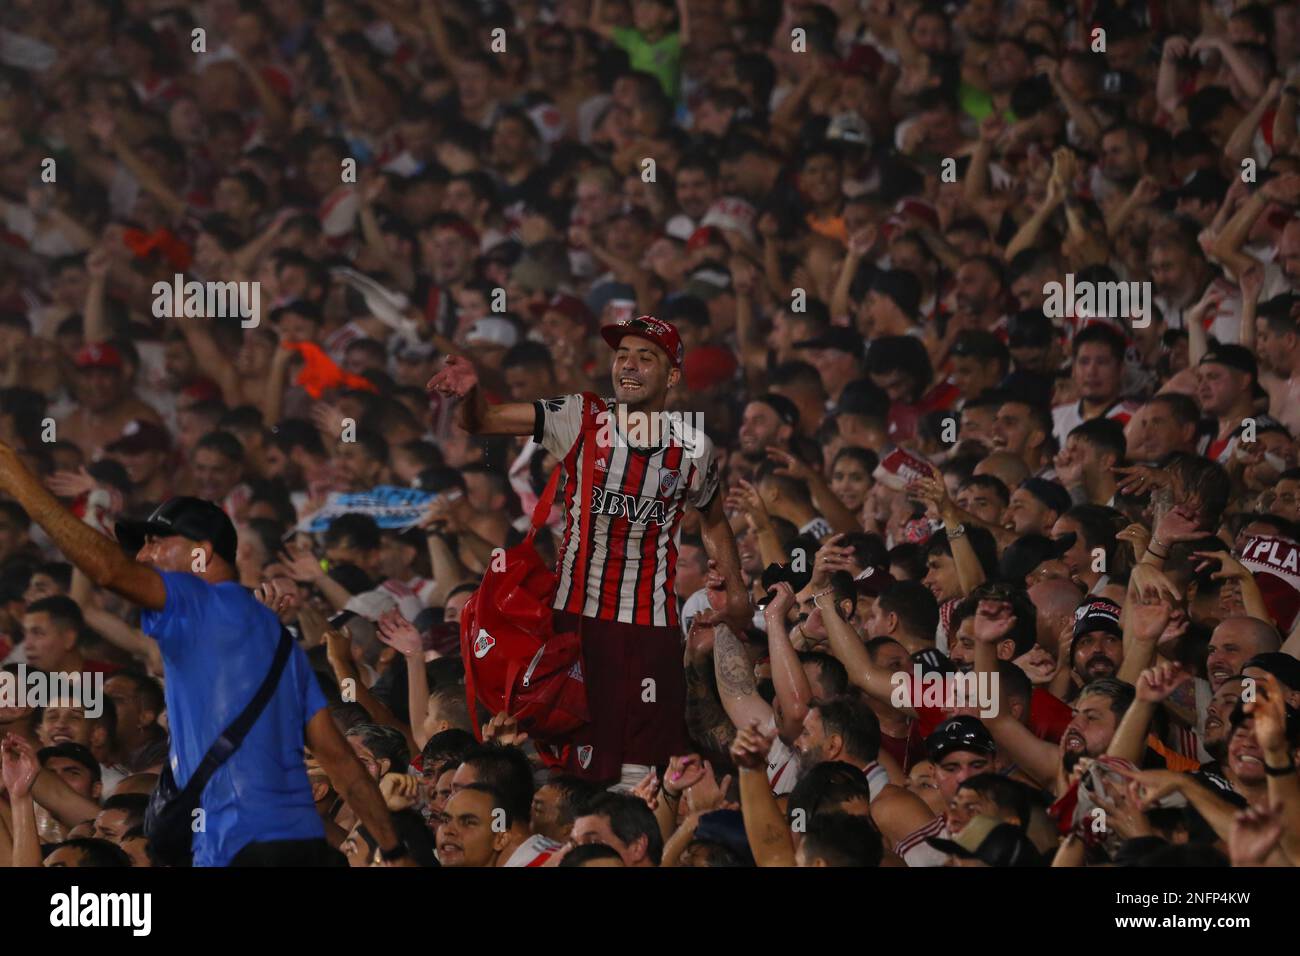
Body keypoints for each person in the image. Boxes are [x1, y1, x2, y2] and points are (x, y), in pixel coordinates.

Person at [0, 450, 405, 867]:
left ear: (202, 554)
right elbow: (340, 762)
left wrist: (16, 479)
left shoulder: (204, 602)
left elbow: (108, 570)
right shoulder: (274, 641)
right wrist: (394, 851)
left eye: (156, 543)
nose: (144, 557)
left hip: (238, 846)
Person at [428, 315, 750, 786]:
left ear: (672, 375)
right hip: (576, 625)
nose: (629, 366)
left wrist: (738, 591)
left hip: (651, 631)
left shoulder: (694, 448)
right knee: (573, 766)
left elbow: (715, 520)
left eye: (646, 357)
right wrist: (474, 391)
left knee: (644, 768)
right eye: (622, 356)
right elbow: (484, 421)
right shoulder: (578, 416)